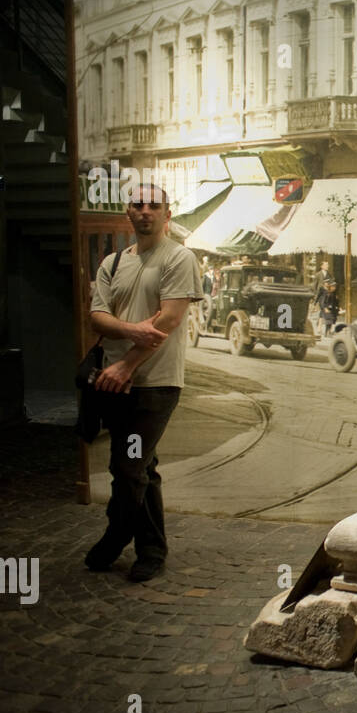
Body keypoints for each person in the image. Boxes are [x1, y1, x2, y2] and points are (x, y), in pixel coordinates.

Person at [85, 184, 203, 582]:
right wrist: (132, 329)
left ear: (167, 213)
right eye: (138, 204)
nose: (145, 211)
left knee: (128, 463)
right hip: (114, 381)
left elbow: (167, 321)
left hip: (155, 383)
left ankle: (116, 534)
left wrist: (126, 365)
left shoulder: (178, 258)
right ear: (128, 213)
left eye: (154, 205)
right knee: (141, 468)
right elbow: (97, 317)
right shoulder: (114, 262)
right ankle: (152, 549)